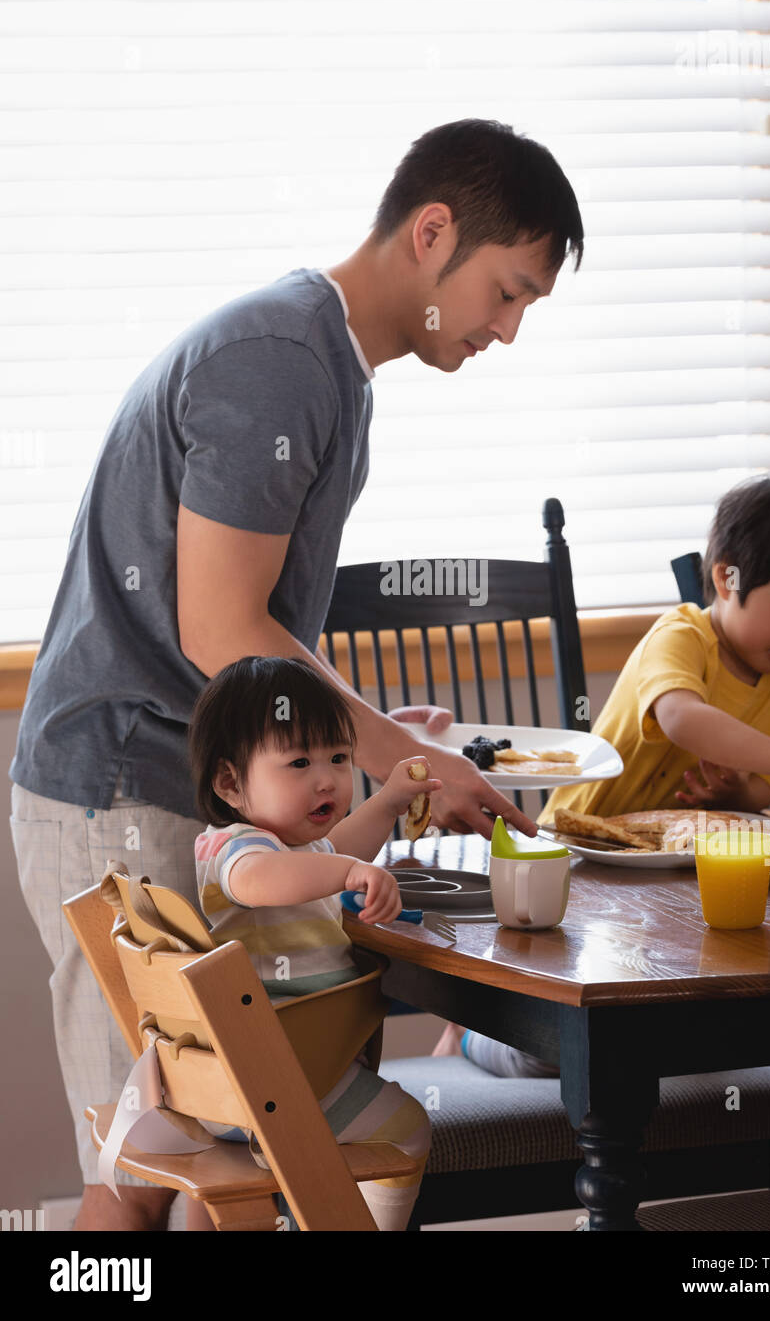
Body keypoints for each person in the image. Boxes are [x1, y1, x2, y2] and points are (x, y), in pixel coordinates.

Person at [9, 117, 583, 1230]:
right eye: (507, 292)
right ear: (432, 233)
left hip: (177, 777)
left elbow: (256, 633)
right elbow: (221, 624)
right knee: (141, 1171)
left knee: (221, 1159)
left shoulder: (328, 367)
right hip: (121, 785)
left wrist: (349, 736)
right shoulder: (279, 361)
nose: (508, 330)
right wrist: (392, 752)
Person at [437, 471, 770, 1074]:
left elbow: (757, 796)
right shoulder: (684, 634)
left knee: (684, 1029)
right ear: (727, 577)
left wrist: (736, 789)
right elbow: (680, 716)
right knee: (570, 1046)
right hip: (573, 859)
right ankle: (475, 1036)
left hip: (675, 891)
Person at [186, 655, 436, 1231]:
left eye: (339, 759)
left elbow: (338, 847)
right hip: (275, 1079)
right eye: (298, 762)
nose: (326, 779)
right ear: (230, 783)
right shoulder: (234, 847)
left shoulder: (295, 847)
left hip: (271, 1072)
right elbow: (261, 881)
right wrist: (350, 873)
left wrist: (390, 801)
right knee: (408, 1130)